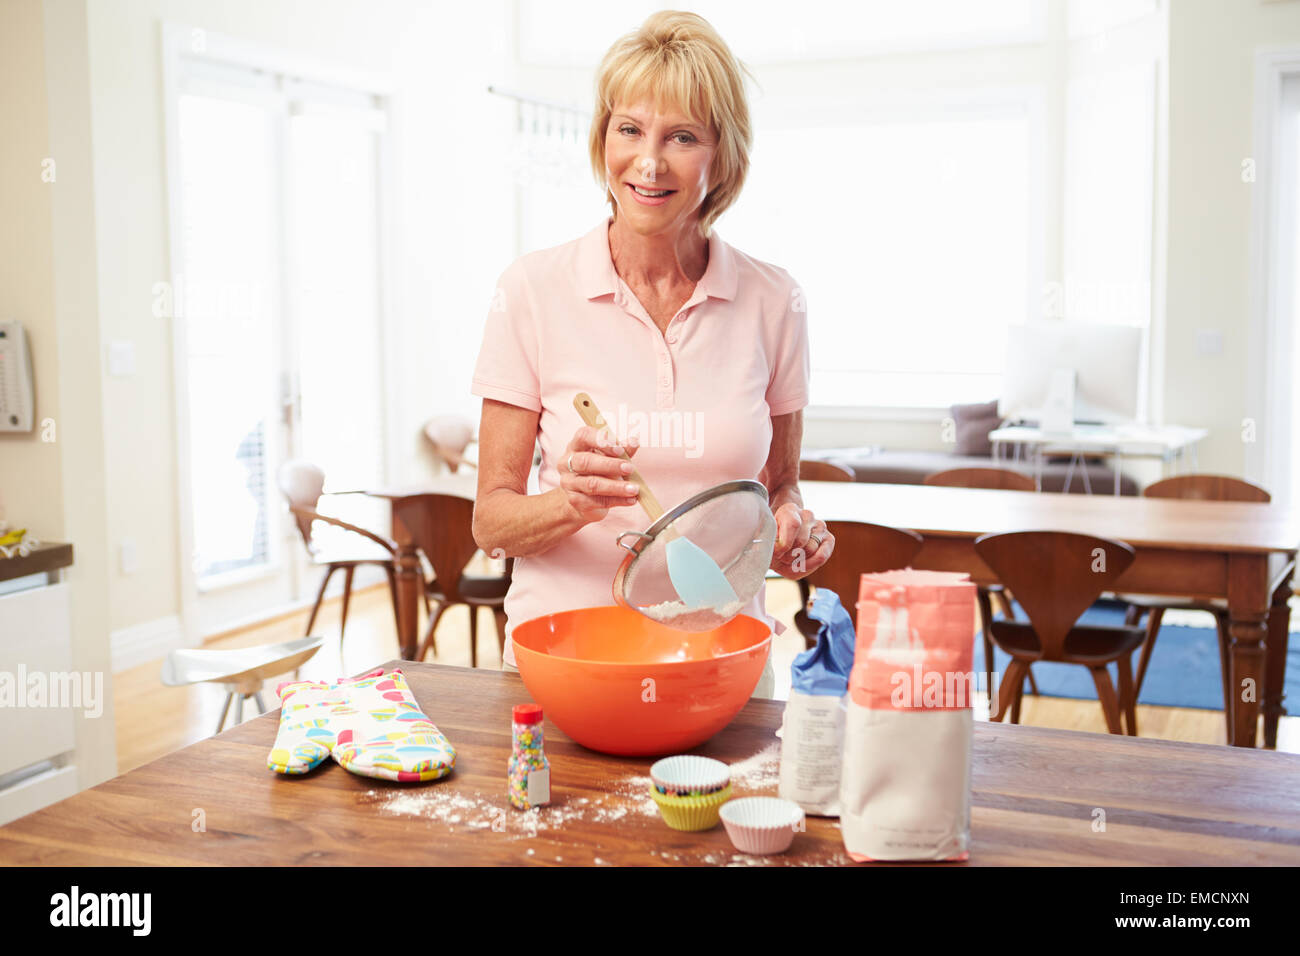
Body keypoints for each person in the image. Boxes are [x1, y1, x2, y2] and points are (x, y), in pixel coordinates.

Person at [470, 10, 834, 697]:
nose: (649, 160)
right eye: (629, 128)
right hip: (568, 669)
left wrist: (790, 527)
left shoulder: (773, 301)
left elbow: (780, 485)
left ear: (722, 155)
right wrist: (569, 503)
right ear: (602, 139)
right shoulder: (530, 292)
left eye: (682, 137)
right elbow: (491, 521)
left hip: (720, 666)